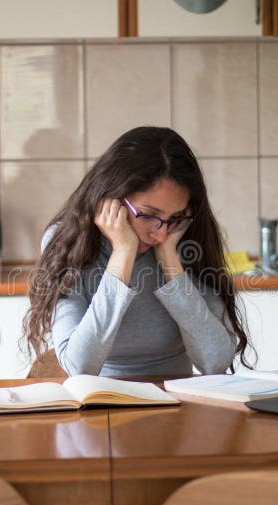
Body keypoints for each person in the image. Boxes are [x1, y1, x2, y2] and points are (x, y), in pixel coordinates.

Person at [26, 126, 250, 380]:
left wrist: (170, 263)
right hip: (101, 402)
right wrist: (123, 253)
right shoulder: (66, 241)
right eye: (149, 215)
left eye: (175, 217)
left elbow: (215, 361)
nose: (161, 233)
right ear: (111, 198)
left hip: (177, 404)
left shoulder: (186, 236)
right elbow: (80, 367)